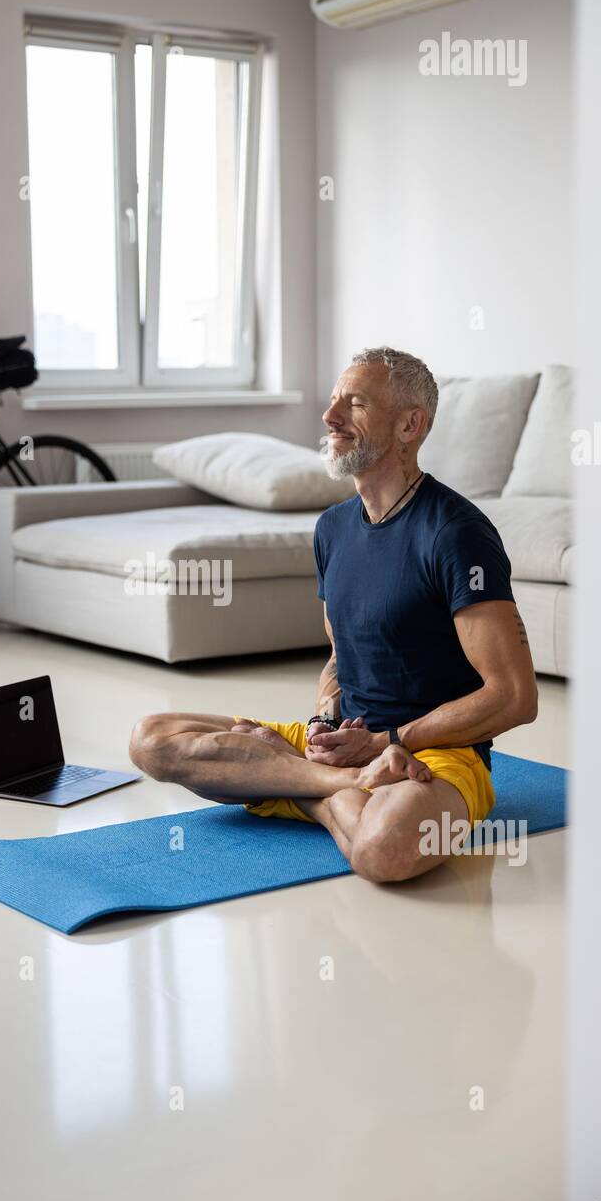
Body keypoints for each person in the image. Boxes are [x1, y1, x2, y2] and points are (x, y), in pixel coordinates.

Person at [129, 347, 538, 883]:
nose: (329, 417)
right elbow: (340, 657)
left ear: (410, 425)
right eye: (332, 400)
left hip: (436, 756)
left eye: (357, 403)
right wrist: (325, 723)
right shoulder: (332, 528)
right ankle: (331, 783)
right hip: (352, 743)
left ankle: (294, 784)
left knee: (385, 850)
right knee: (151, 738)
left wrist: (391, 743)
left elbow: (514, 697)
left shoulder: (457, 534)